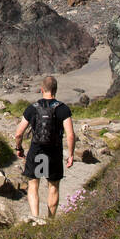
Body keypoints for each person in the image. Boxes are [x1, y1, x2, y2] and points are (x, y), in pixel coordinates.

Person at [14, 75, 75, 220]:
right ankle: (50, 220)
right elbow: (71, 135)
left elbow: (18, 133)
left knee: (33, 184)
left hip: (36, 150)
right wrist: (71, 155)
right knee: (53, 186)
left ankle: (35, 218)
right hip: (54, 152)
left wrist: (19, 148)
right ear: (56, 90)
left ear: (41, 89)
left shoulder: (32, 108)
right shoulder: (63, 109)